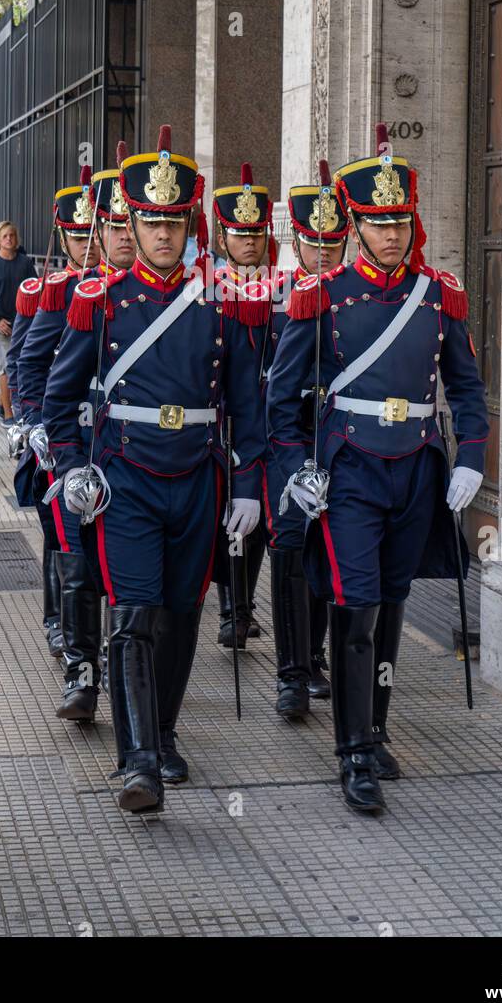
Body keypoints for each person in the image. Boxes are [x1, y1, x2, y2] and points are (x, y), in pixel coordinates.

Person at [42, 125, 265, 813]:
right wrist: (74, 466)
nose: (162, 234)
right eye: (150, 221)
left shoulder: (224, 300)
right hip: (126, 477)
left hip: (196, 477)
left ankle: (163, 732)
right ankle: (137, 759)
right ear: (129, 224)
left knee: (181, 613)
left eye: (173, 221)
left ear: (189, 224)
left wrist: (252, 487)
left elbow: (248, 405)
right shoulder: (100, 300)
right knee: (133, 613)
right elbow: (59, 396)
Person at [267, 125, 489, 815]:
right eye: (376, 223)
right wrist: (296, 469)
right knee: (356, 607)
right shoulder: (323, 296)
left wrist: (471, 459)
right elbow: (282, 399)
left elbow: (466, 386)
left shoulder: (437, 294)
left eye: (400, 222)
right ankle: (353, 753)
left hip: (416, 467)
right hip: (351, 469)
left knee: (391, 606)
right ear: (355, 225)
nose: (390, 235)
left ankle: (378, 727)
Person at [13, 152, 134, 714]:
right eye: (107, 227)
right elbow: (32, 365)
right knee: (77, 558)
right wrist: (37, 424)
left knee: (126, 572)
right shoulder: (68, 291)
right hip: (77, 443)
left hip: (135, 449)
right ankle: (82, 675)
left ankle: (131, 672)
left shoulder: (163, 295)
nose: (113, 238)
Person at [251, 170, 352, 719]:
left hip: (339, 440)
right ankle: (290, 674)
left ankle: (316, 657)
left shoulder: (357, 297)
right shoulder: (274, 298)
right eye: (311, 243)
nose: (321, 253)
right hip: (285, 437)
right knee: (290, 546)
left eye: (331, 243)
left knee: (332, 548)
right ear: (296, 243)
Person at [209, 164, 277, 651]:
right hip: (220, 418)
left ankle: (244, 606)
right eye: (239, 234)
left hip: (269, 418)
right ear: (222, 236)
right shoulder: (205, 287)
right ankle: (229, 607)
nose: (249, 242)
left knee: (257, 520)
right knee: (221, 514)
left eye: (256, 233)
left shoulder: (287, 286)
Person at [0, 222, 35, 426]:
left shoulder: (26, 262)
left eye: (12, 235)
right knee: (6, 369)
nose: (9, 239)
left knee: (23, 368)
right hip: (0, 323)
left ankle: (5, 401)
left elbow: (34, 290)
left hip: (23, 323)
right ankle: (9, 414)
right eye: (4, 236)